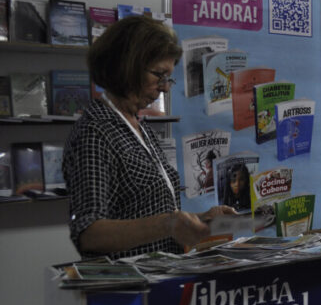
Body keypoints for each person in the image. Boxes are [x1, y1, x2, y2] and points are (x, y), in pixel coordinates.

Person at [63, 16, 235, 260]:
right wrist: (168, 224)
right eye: (159, 75)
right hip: (127, 290)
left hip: (160, 280)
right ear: (126, 66)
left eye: (168, 78)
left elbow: (145, 209)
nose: (165, 87)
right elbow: (89, 234)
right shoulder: (96, 132)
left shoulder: (137, 126)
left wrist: (201, 220)